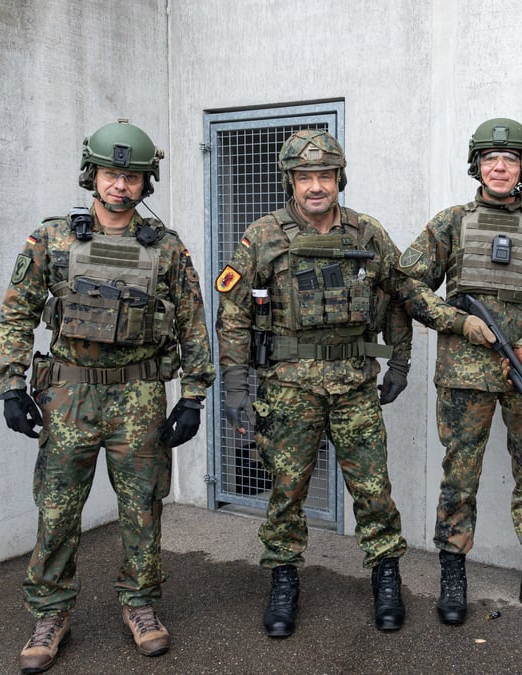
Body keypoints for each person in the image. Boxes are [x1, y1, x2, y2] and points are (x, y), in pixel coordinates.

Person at [0, 119, 216, 672]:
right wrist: (10, 385)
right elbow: (17, 311)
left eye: (133, 176)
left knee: (142, 508)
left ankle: (140, 605)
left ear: (147, 183)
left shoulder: (165, 247)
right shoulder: (53, 237)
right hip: (67, 395)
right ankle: (49, 613)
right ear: (92, 174)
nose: (121, 185)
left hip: (138, 396)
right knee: (58, 508)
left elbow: (193, 323)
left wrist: (193, 396)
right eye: (112, 173)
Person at [216, 129, 413, 637]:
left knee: (373, 490)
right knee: (287, 491)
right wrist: (235, 388)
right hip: (288, 389)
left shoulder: (367, 233)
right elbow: (233, 316)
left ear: (338, 179)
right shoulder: (262, 236)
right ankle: (284, 580)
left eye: (324, 175)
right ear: (292, 181)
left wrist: (400, 365)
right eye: (305, 177)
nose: (316, 186)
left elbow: (398, 299)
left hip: (353, 386)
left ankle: (386, 575)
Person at [396, 118, 522, 627]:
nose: (500, 168)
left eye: (510, 160)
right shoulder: (451, 222)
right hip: (464, 372)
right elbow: (408, 284)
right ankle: (453, 575)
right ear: (476, 165)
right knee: (460, 478)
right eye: (491, 160)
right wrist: (459, 322)